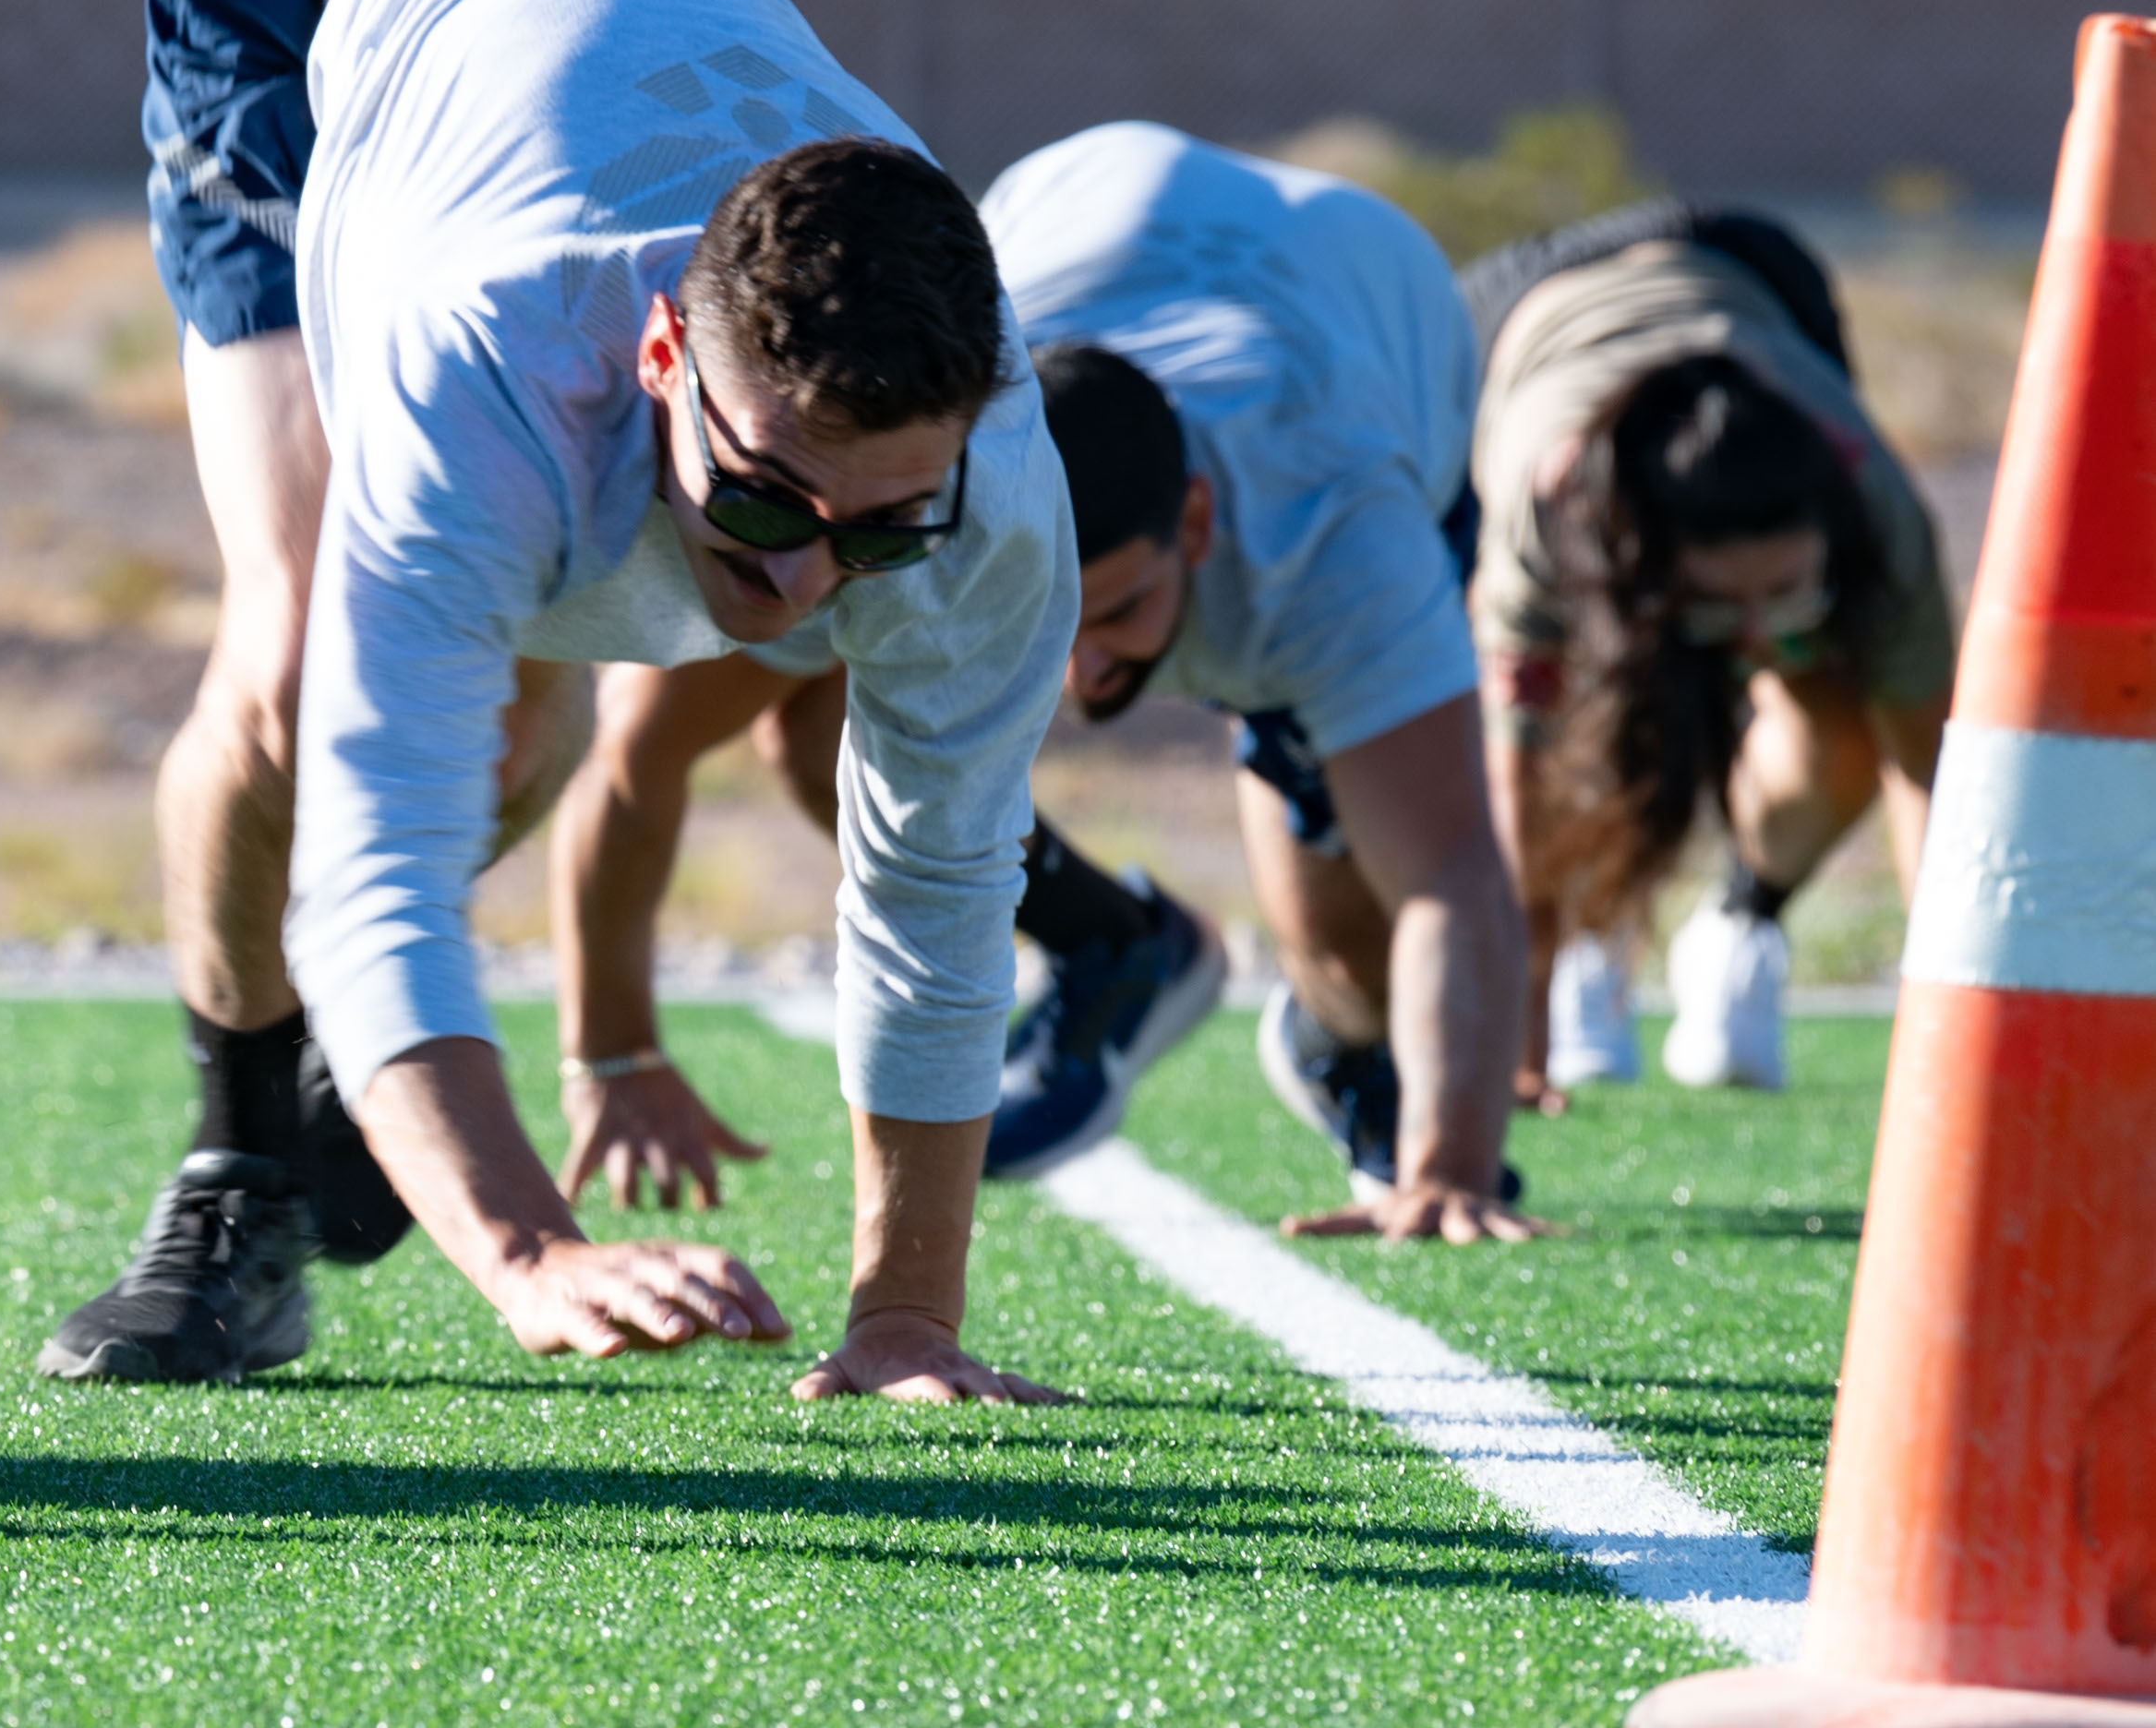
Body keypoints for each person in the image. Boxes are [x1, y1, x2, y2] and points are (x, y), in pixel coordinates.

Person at [39, 0, 1076, 1404]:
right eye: (758, 502)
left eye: (875, 529)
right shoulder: (493, 370)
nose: (796, 585)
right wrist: (526, 1247)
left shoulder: (990, 473)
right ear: (660, 354)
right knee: (291, 671)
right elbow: (368, 850)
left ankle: (376, 1076)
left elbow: (936, 875)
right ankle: (238, 1164)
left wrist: (903, 1321)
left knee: (519, 724)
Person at [554, 125, 1542, 1239]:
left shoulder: (1335, 543)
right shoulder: (897, 484)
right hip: (1086, 201)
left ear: (1198, 528)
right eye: (1046, 617)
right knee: (812, 733)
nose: (1067, 671)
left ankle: (1340, 1048)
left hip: (1370, 330)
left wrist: (1449, 1163)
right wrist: (612, 1047)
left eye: (1113, 613)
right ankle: (1108, 938)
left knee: (1343, 951)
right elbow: (637, 758)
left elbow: (1450, 870)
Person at [1459, 202, 1954, 1094]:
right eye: (1724, 604)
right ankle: (1587, 947)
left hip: (1748, 269)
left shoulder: (1879, 517)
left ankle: (1736, 923)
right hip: (1518, 314)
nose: (1760, 637)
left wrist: (1955, 1048)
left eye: (1783, 594)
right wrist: (1514, 1042)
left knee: (1844, 725)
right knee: (1589, 721)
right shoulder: (1550, 502)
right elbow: (1513, 779)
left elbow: (1930, 773)